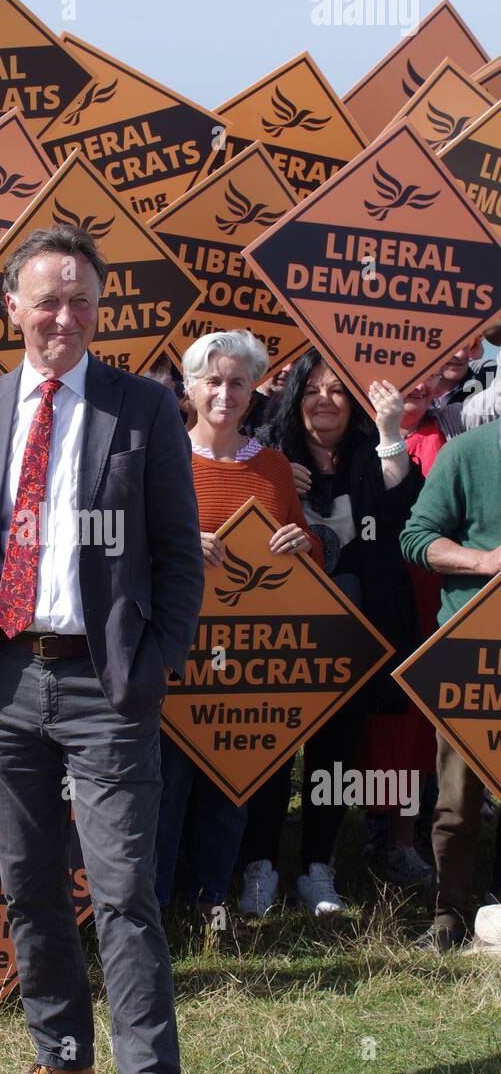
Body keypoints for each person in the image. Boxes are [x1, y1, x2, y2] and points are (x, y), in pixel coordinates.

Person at [0, 225, 206, 1074]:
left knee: (125, 891)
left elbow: (176, 548)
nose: (64, 317)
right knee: (27, 885)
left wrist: (155, 657)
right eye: (47, 299)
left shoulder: (143, 408)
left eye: (82, 300)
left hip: (105, 680)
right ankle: (63, 1059)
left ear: (98, 310)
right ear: (10, 308)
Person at [246, 351, 424, 915]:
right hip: (280, 638)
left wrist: (392, 428)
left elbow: (402, 504)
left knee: (336, 755)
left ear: (355, 404)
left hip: (353, 637)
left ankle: (318, 868)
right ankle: (260, 865)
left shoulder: (375, 455)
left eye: (337, 391)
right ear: (293, 399)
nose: (324, 400)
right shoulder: (268, 457)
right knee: (271, 753)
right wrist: (275, 476)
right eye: (312, 391)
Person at [156, 331, 322, 925]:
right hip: (179, 652)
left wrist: (305, 543)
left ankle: (210, 903)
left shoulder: (274, 468)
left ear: (254, 393)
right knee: (168, 784)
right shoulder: (161, 454)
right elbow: (123, 555)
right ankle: (153, 908)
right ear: (190, 387)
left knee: (231, 786)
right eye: (213, 380)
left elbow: (312, 560)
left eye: (238, 382)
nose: (225, 393)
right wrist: (176, 548)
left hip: (249, 659)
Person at [400, 417, 501, 949]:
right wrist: (482, 560)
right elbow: (416, 538)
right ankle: (449, 915)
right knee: (458, 796)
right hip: (472, 650)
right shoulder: (467, 452)